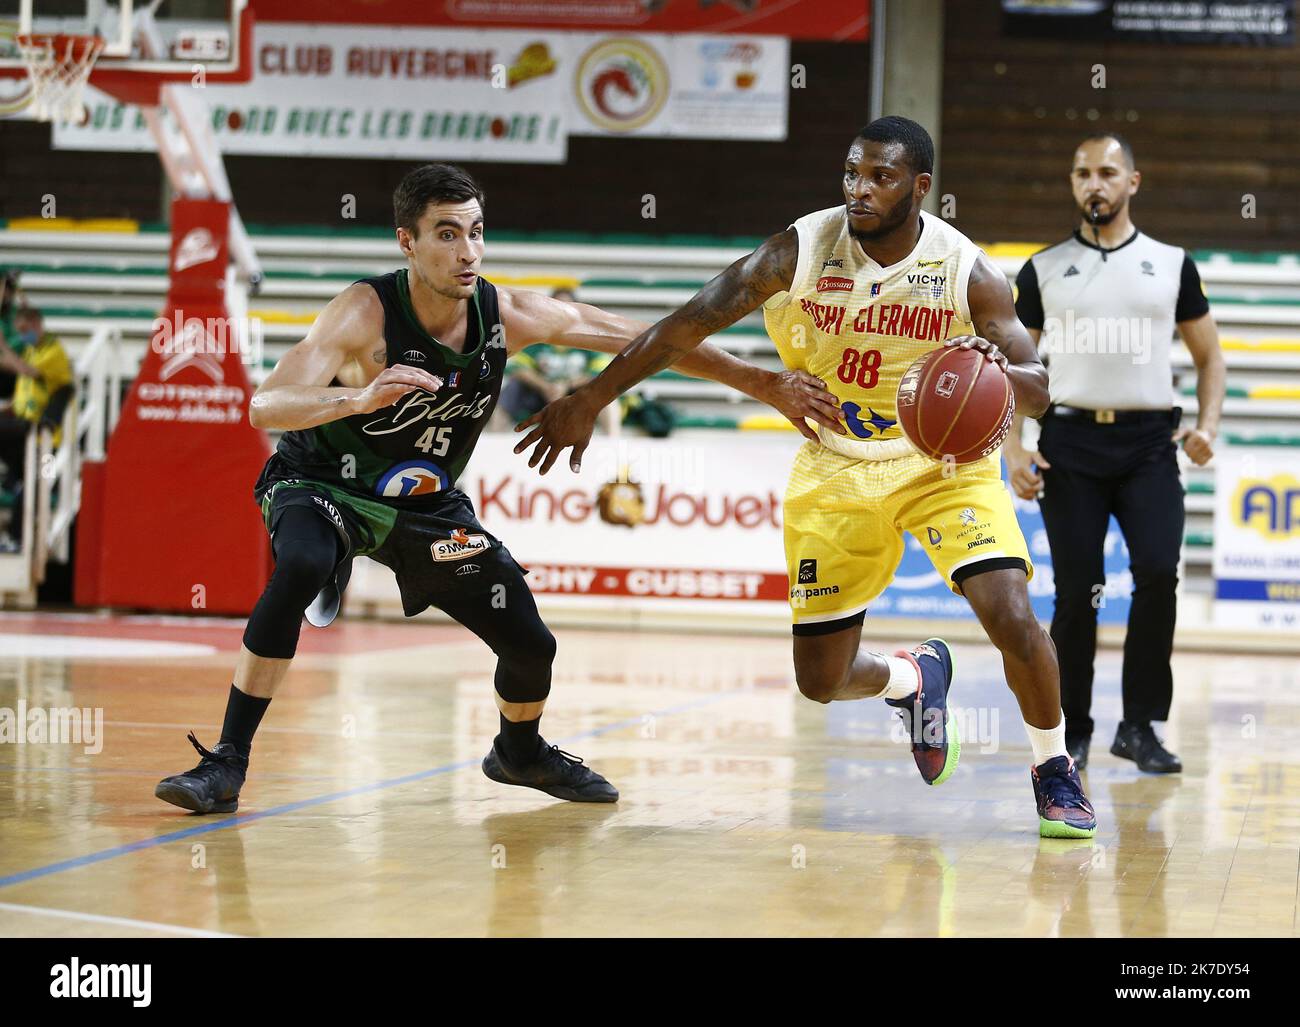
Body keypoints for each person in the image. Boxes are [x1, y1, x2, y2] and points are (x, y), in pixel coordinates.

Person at [154, 163, 843, 814]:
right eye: (447, 234)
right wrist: (357, 398)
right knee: (301, 562)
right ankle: (226, 763)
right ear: (407, 242)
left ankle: (519, 751)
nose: (468, 251)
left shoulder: (506, 314)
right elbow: (266, 406)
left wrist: (761, 381)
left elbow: (650, 337)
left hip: (423, 506)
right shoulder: (362, 313)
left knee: (530, 645)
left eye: (476, 231)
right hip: (322, 480)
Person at [514, 116, 1097, 839]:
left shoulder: (965, 270)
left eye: (880, 177)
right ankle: (913, 678)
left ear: (920, 187)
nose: (860, 189)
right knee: (821, 680)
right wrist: (591, 396)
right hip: (835, 461)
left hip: (942, 466)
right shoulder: (797, 250)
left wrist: (998, 370)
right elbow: (684, 325)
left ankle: (1054, 768)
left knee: (1010, 614)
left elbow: (1040, 389)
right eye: (852, 172)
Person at [1005, 132, 1225, 774]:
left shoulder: (1172, 263)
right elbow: (1014, 366)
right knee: (1078, 591)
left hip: (1149, 446)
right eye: (1082, 174)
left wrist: (1207, 427)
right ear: (1073, 184)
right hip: (1069, 444)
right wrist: (1013, 449)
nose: (1093, 184)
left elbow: (1210, 357)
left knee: (1158, 573)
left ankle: (1140, 727)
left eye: (1106, 172)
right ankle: (1070, 730)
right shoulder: (1042, 269)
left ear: (1133, 181)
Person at [500, 287, 622, 435]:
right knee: (513, 388)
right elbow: (518, 368)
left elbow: (602, 371)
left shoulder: (589, 337)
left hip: (576, 395)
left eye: (566, 307)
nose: (561, 312)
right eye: (557, 306)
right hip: (540, 394)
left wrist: (567, 385)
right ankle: (494, 436)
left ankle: (613, 439)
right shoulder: (536, 335)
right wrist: (545, 386)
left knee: (603, 391)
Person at [0, 306, 73, 552]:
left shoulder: (53, 351)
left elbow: (28, 372)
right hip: (28, 437)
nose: (23, 336)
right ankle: (14, 481)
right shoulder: (32, 351)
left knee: (38, 485)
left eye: (24, 330)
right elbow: (26, 390)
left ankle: (18, 539)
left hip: (49, 442)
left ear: (36, 324)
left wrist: (4, 347)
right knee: (27, 484)